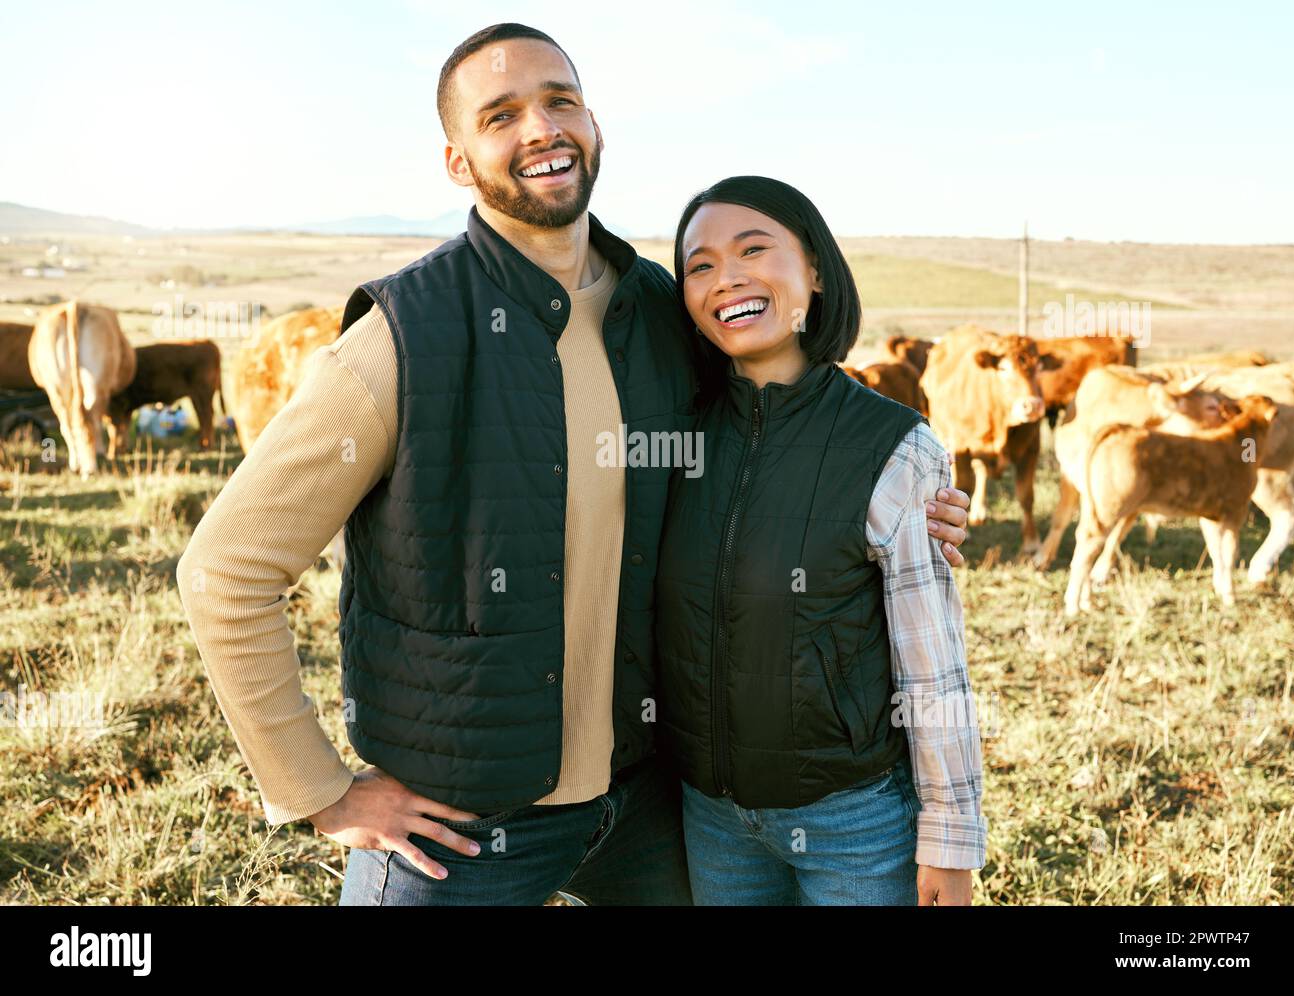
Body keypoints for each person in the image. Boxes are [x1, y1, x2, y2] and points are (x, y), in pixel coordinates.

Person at [176, 24, 972, 907]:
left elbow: (779, 397)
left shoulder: (662, 314)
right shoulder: (404, 339)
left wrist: (903, 481)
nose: (540, 129)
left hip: (648, 806)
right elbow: (225, 568)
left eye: (560, 102)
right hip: (461, 828)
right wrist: (319, 790)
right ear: (457, 161)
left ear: (595, 128)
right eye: (501, 115)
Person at [654, 176, 987, 906]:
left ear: (815, 271)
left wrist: (952, 839)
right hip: (711, 818)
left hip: (855, 822)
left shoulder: (895, 446)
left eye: (753, 249)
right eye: (700, 265)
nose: (726, 277)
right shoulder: (676, 439)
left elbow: (934, 664)